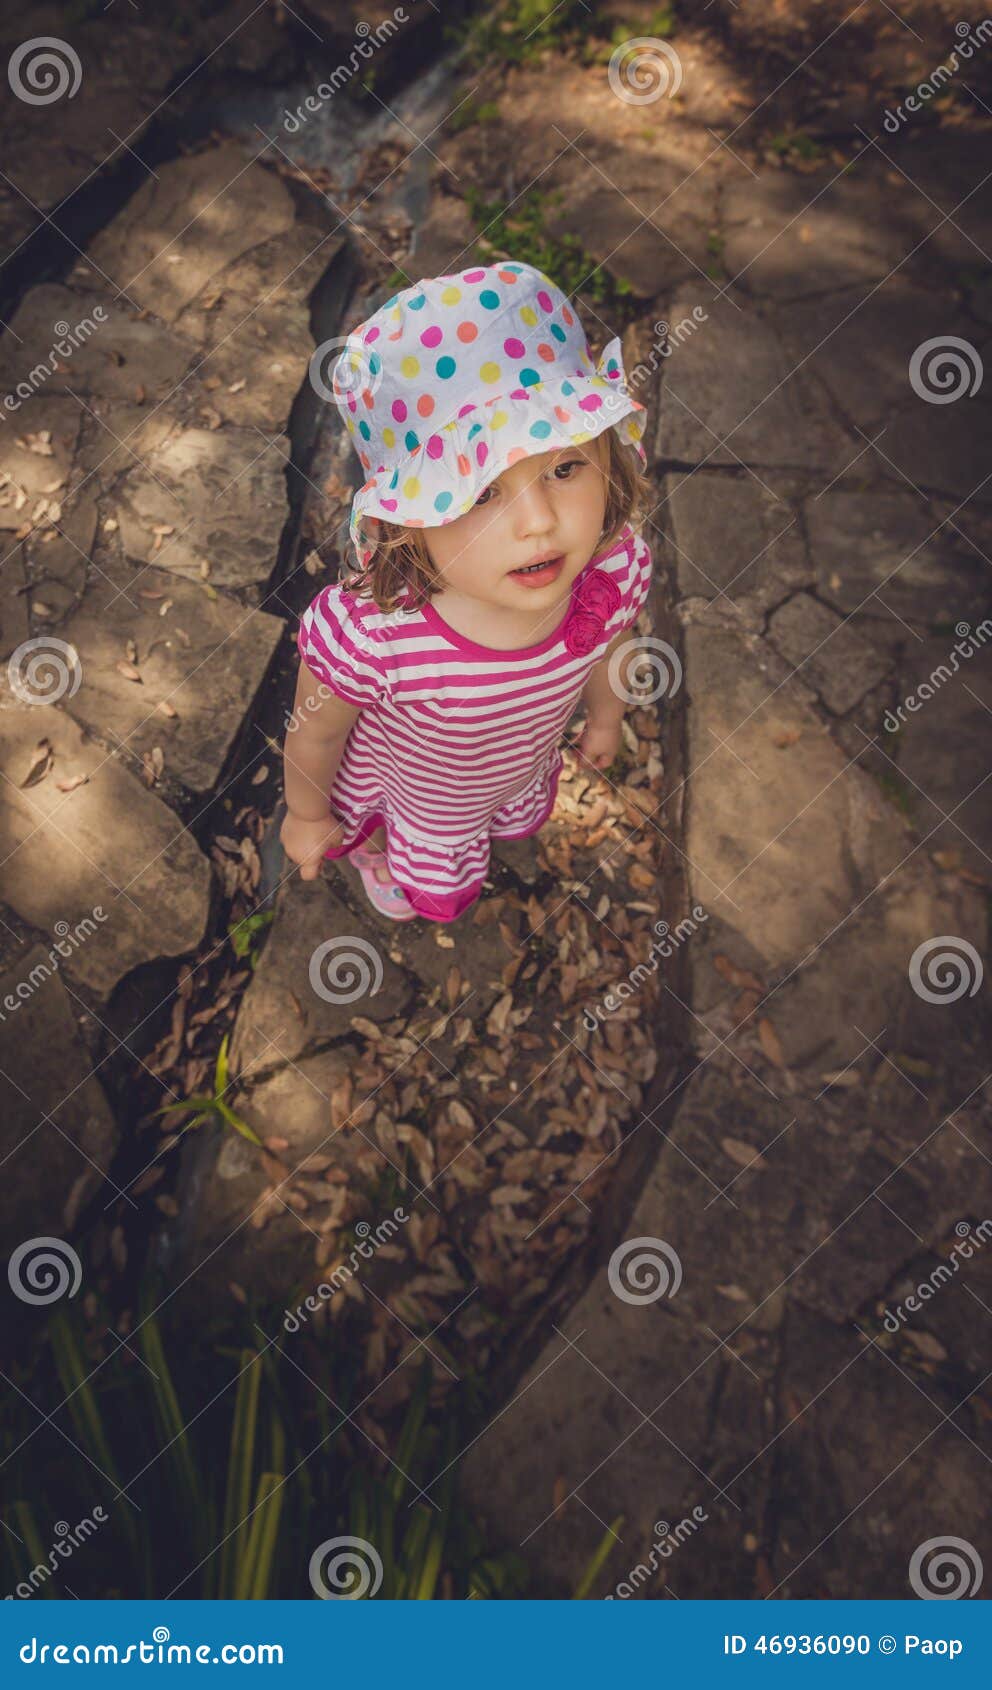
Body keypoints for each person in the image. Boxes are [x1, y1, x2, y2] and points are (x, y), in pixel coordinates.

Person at [281, 260, 654, 923]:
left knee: (490, 813)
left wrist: (606, 714)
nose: (539, 523)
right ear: (407, 523)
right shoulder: (376, 635)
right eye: (479, 493)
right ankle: (385, 855)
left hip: (514, 763)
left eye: (565, 467)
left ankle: (470, 829)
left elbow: (609, 642)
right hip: (410, 788)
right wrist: (307, 815)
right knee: (389, 831)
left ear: (608, 459)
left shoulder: (612, 567)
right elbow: (315, 737)